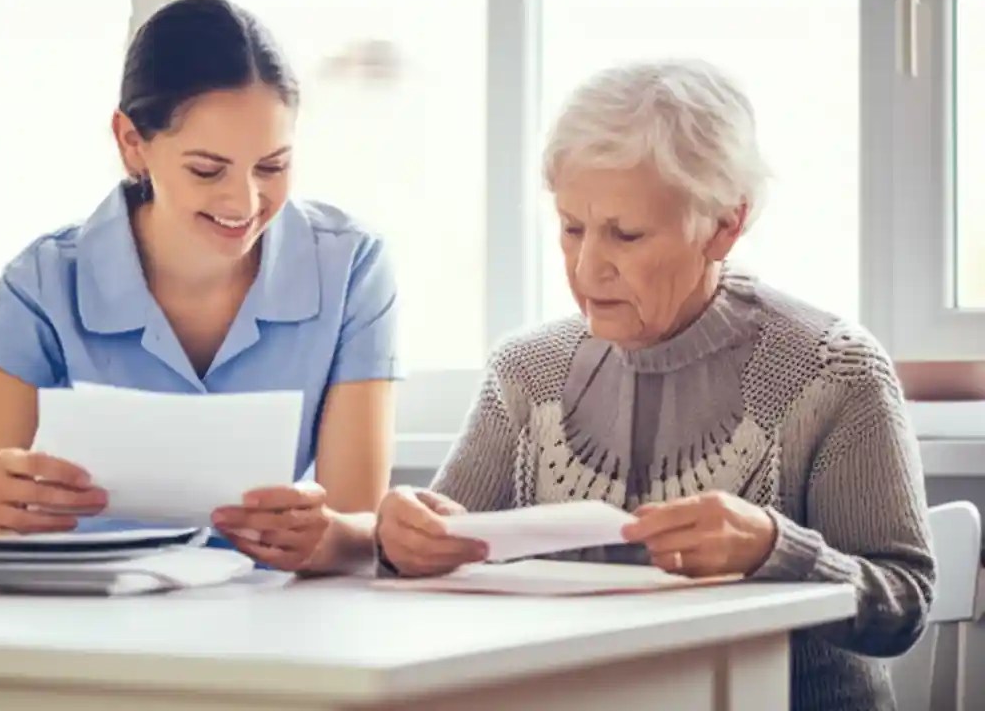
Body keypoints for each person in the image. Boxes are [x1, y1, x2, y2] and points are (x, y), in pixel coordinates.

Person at [374, 60, 934, 711]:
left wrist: (775, 550)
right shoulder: (525, 373)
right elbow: (433, 557)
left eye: (626, 234)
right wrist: (399, 544)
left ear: (726, 223)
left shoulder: (833, 372)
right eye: (571, 227)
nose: (586, 268)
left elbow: (904, 605)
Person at [0, 0, 400, 575]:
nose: (245, 202)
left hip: (272, 623)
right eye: (206, 169)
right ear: (132, 144)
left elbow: (356, 523)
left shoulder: (352, 268)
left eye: (272, 166)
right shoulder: (43, 282)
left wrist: (325, 537)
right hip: (86, 615)